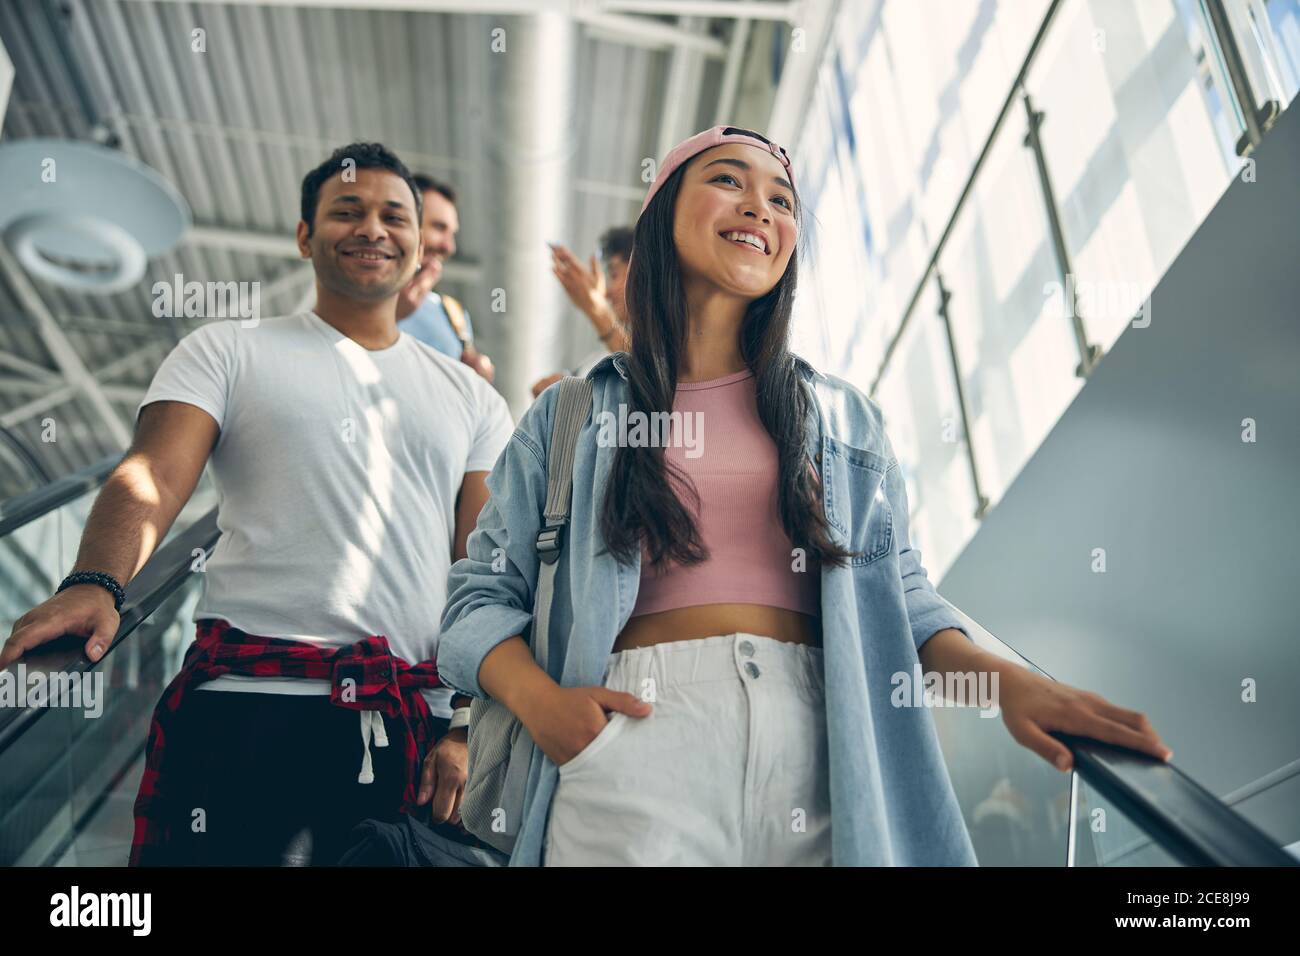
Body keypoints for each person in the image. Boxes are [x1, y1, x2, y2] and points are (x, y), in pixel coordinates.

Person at [436, 125, 1173, 866]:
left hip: (824, 751)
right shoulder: (572, 415)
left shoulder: (842, 418)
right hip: (629, 747)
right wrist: (545, 707)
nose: (760, 206)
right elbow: (478, 601)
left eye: (782, 198)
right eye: (728, 180)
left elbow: (902, 601)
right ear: (665, 216)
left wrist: (1009, 685)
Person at [1, 142, 514, 865]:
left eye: (395, 215)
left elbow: (482, 571)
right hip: (244, 706)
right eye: (347, 211)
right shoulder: (226, 350)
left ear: (418, 239)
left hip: (412, 728)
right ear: (305, 236)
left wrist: (471, 723)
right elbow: (152, 473)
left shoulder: (474, 398)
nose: (373, 228)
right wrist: (94, 581)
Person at [396, 174, 495, 382]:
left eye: (452, 234)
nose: (449, 247)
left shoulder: (453, 314)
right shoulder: (359, 294)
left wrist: (478, 379)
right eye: (439, 228)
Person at [530, 225, 633, 398]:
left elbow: (643, 371)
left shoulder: (673, 342)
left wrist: (596, 309)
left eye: (614, 275)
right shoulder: (602, 357)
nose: (608, 293)